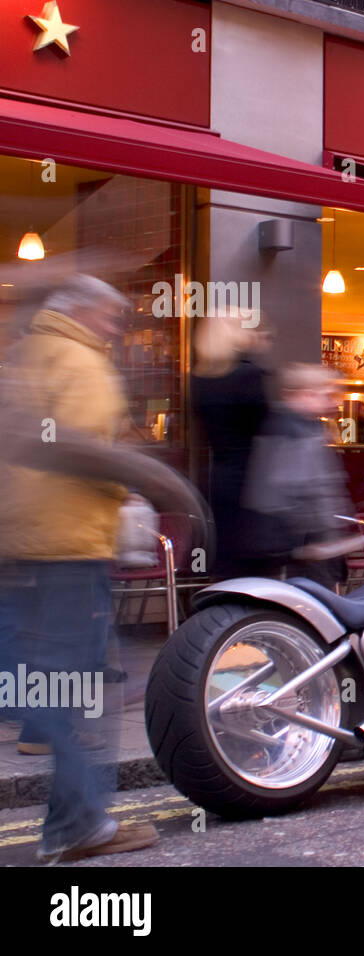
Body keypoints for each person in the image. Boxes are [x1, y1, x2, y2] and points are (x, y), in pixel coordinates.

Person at [0, 275, 159, 861]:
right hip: (70, 546)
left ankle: (69, 816)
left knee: (51, 681)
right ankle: (78, 824)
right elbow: (86, 451)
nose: (116, 329)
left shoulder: (26, 354)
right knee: (85, 695)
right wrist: (137, 487)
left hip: (22, 544)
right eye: (112, 317)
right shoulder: (82, 364)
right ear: (85, 313)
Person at [240, 364, 355, 588]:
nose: (335, 401)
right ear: (306, 394)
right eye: (328, 394)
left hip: (301, 541)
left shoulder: (297, 426)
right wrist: (322, 533)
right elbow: (294, 488)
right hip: (304, 542)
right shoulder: (294, 432)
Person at [192, 309, 271, 579]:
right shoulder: (248, 375)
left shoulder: (199, 379)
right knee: (252, 556)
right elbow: (265, 426)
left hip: (219, 476)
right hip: (251, 478)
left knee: (225, 553)